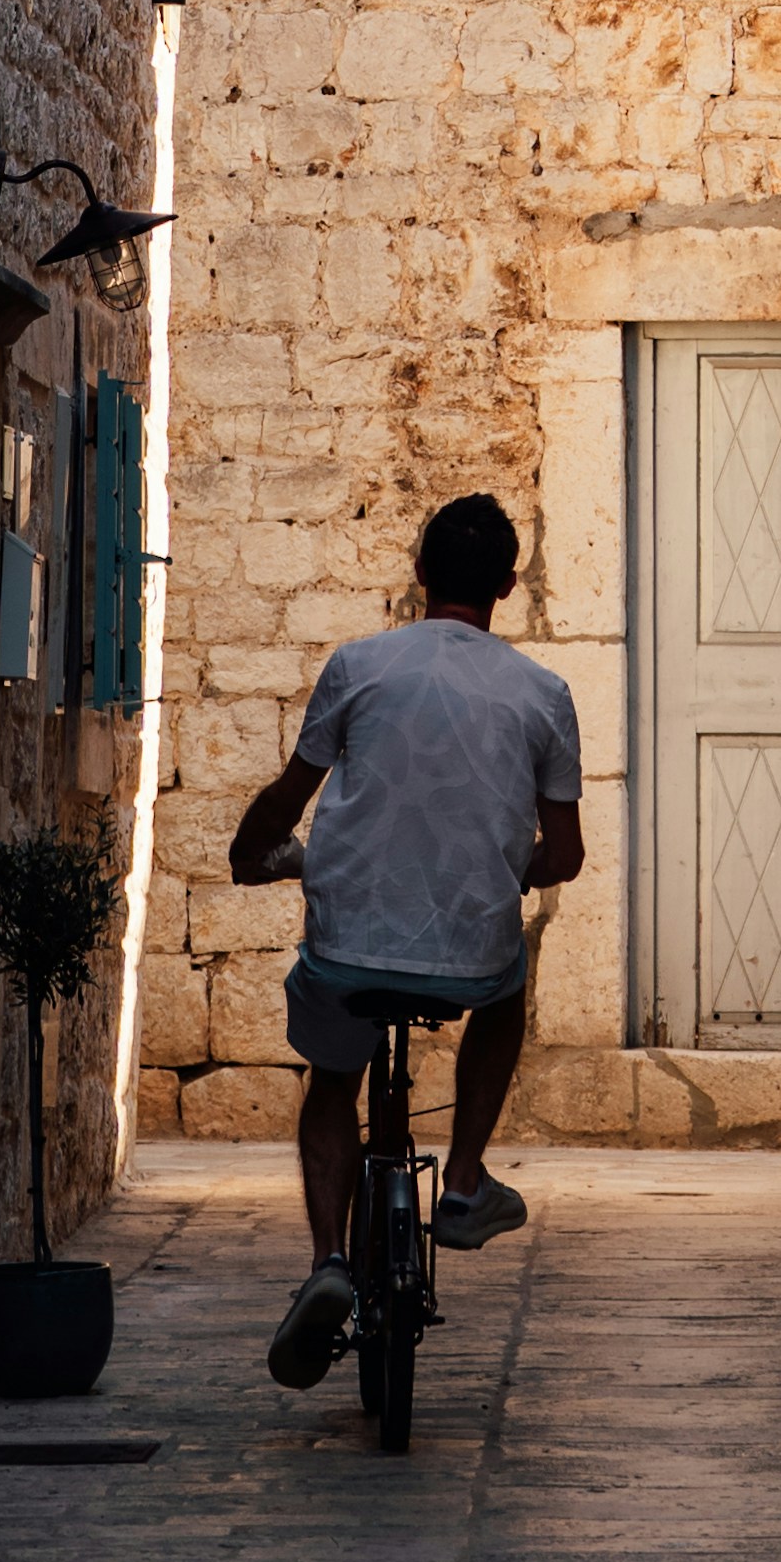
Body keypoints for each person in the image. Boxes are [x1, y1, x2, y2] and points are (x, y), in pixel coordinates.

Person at [228, 491, 583, 1391]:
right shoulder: (542, 693)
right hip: (469, 957)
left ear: (419, 572)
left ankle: (325, 1264)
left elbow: (292, 791)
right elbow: (564, 855)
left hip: (349, 948)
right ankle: (462, 1177)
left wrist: (251, 848)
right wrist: (504, 875)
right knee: (506, 996)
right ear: (508, 586)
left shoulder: (359, 666)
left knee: (332, 1085)